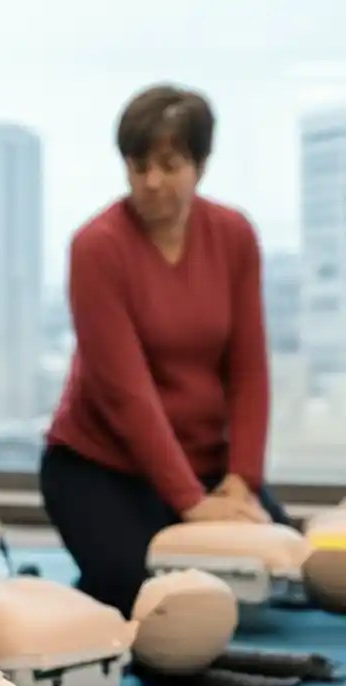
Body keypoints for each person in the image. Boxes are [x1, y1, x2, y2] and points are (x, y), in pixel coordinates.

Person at [41, 84, 292, 619]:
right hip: (99, 467)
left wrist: (240, 482)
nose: (151, 181)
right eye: (138, 165)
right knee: (159, 603)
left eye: (169, 165)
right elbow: (126, 394)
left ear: (200, 165)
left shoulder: (233, 234)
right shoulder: (96, 247)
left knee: (283, 573)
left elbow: (249, 368)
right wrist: (192, 506)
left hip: (207, 468)